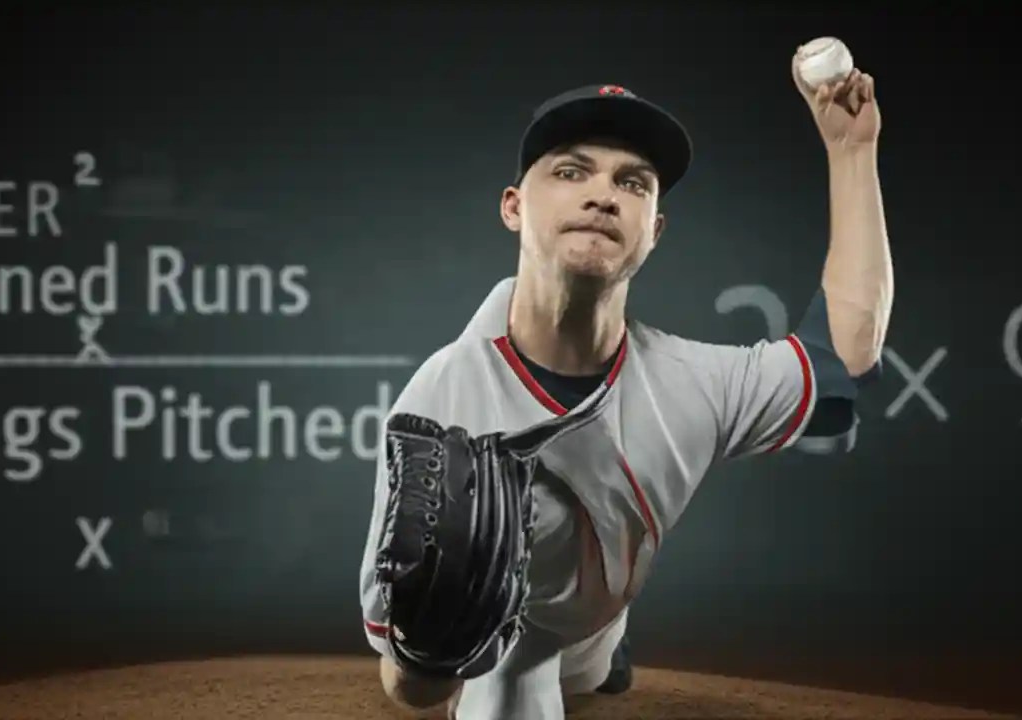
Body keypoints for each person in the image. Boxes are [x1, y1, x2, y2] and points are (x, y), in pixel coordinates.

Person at [358, 50, 892, 719]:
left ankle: (606, 655)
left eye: (634, 183)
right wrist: (429, 655)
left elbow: (845, 358)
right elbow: (407, 686)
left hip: (599, 621)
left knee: (589, 657)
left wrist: (851, 153)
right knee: (513, 672)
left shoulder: (688, 382)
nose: (604, 193)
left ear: (654, 231)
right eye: (571, 169)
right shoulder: (439, 402)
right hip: (508, 640)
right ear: (513, 207)